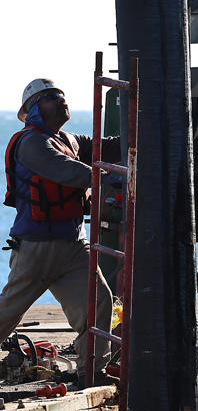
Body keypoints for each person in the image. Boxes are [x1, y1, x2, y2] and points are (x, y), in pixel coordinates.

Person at [0, 78, 118, 387]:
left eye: (62, 95)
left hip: (72, 246)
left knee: (98, 302)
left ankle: (92, 372)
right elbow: (68, 171)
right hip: (37, 247)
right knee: (8, 312)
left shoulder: (69, 139)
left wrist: (145, 133)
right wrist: (113, 177)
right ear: (34, 109)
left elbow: (107, 147)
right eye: (51, 97)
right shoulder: (30, 143)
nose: (61, 99)